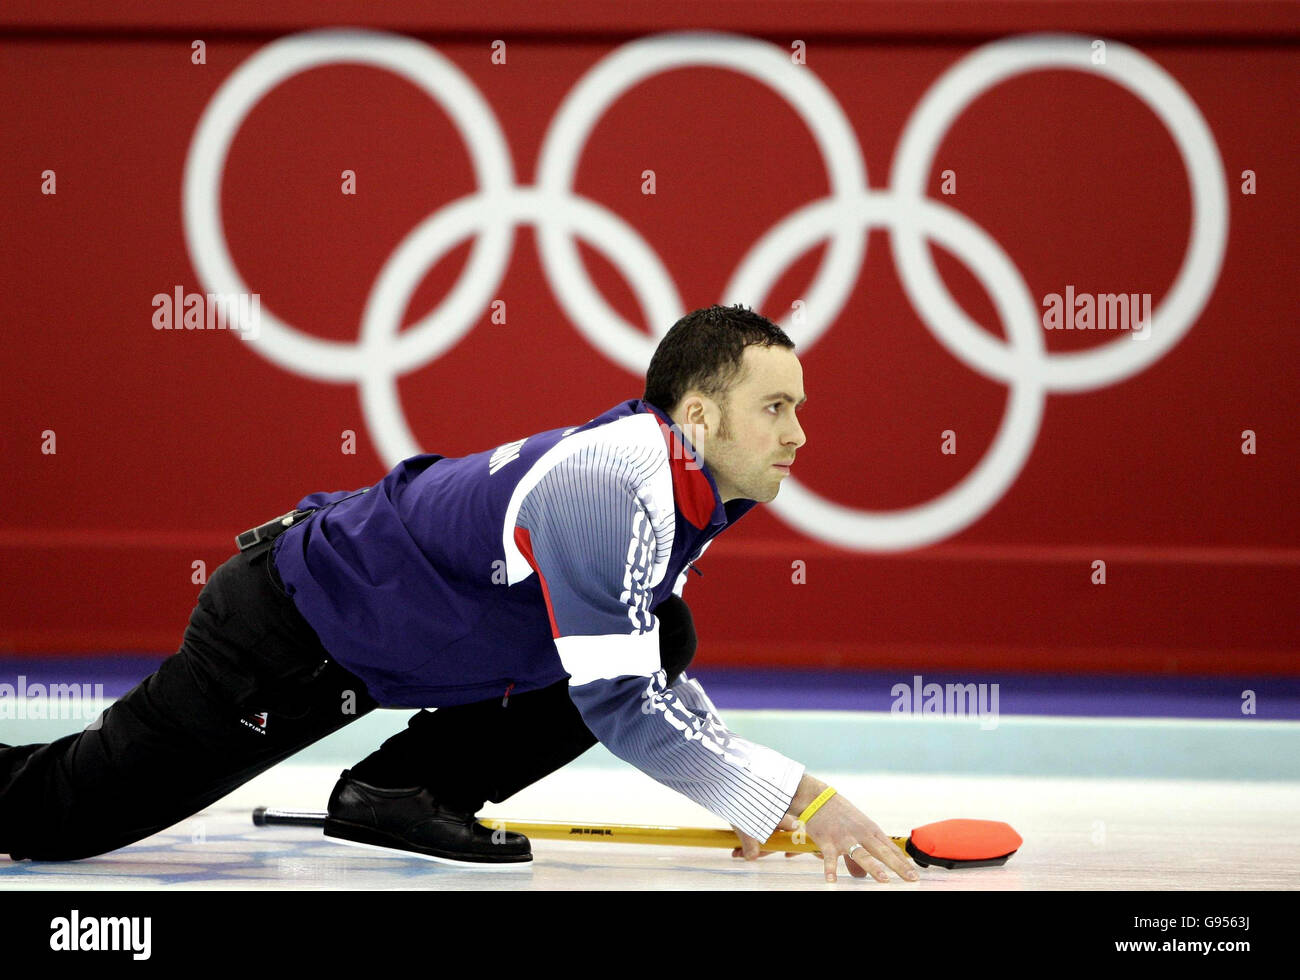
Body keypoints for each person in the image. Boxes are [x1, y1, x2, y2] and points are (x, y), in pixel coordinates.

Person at [0, 305, 918, 884]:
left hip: (362, 645)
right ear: (700, 416)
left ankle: (401, 787)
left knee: (662, 634)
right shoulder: (613, 484)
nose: (799, 432)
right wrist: (795, 802)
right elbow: (620, 704)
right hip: (285, 635)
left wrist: (741, 796)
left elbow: (639, 657)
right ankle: (395, 787)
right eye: (777, 407)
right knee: (58, 814)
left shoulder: (685, 481)